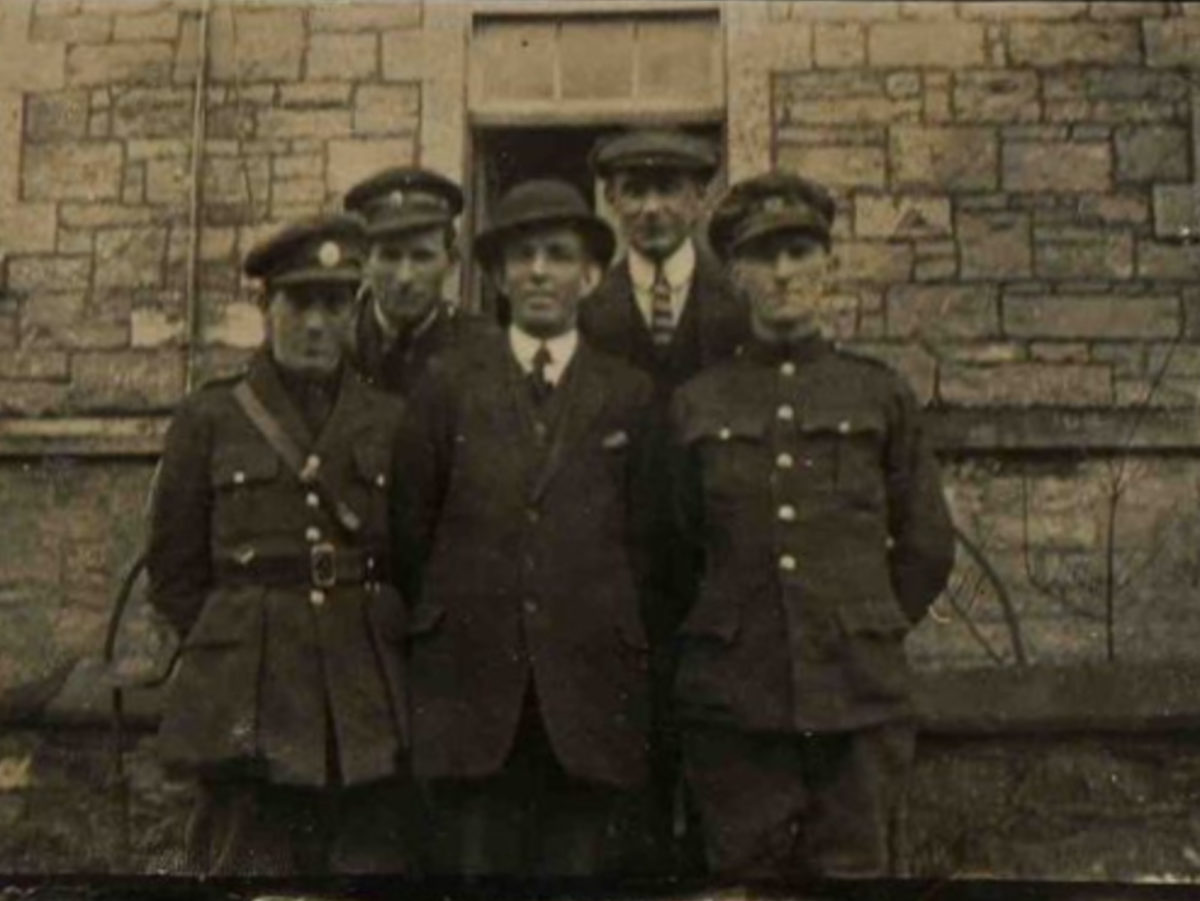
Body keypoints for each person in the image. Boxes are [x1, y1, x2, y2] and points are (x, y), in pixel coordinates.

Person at [667, 171, 955, 881]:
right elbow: (670, 553)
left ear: (828, 263)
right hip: (736, 705)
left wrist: (864, 622)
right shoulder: (698, 404)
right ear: (737, 273)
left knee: (855, 872)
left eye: (800, 252)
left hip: (858, 702)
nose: (785, 272)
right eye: (765, 256)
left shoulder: (877, 393)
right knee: (742, 878)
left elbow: (925, 544)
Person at [398, 179, 656, 878]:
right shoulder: (445, 386)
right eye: (522, 255)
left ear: (592, 274)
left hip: (590, 695)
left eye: (558, 254)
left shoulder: (630, 394)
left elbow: (658, 550)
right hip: (473, 693)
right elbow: (409, 537)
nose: (539, 269)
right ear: (496, 275)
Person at [146, 214, 416, 876]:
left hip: (362, 692)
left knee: (367, 864)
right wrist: (237, 648)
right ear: (267, 307)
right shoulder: (209, 418)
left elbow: (414, 555)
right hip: (251, 695)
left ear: (353, 311)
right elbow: (174, 572)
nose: (317, 324)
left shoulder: (389, 419)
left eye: (333, 304)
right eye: (300, 303)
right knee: (250, 863)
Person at [580, 127, 751, 872]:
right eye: (635, 191)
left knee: (726, 758)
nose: (652, 207)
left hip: (725, 563)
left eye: (670, 189)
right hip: (620, 566)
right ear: (611, 202)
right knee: (630, 753)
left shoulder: (742, 306)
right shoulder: (586, 316)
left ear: (701, 198)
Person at [343, 166, 493, 395]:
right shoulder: (336, 346)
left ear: (451, 262)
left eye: (422, 257)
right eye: (390, 257)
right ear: (364, 262)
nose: (405, 277)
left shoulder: (484, 352)